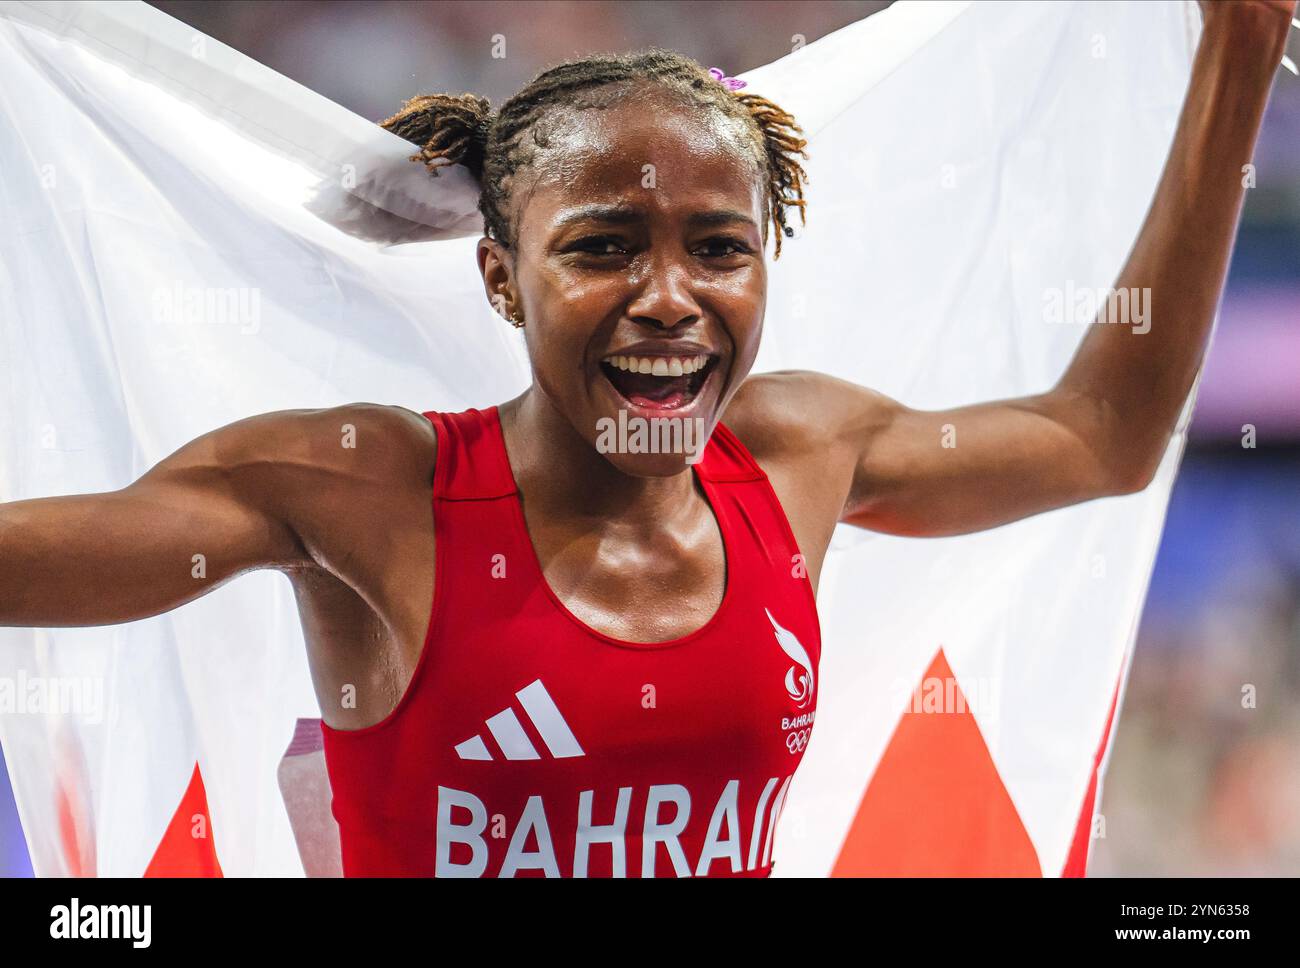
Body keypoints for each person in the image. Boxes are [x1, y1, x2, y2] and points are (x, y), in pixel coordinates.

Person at [0, 1, 1293, 877]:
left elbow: (1107, 435)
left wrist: (1241, 45)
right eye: (602, 248)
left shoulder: (798, 457)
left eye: (718, 248)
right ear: (503, 279)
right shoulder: (361, 489)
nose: (669, 297)